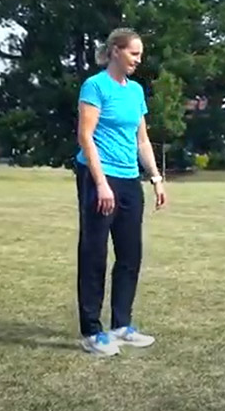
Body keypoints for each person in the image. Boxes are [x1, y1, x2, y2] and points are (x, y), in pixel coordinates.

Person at [74, 27, 166, 356]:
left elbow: (142, 139)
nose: (138, 60)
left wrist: (155, 177)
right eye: (134, 53)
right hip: (98, 175)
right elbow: (86, 136)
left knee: (130, 255)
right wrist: (100, 184)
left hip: (129, 179)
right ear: (115, 50)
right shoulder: (95, 86)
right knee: (94, 253)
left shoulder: (136, 91)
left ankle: (122, 325)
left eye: (140, 55)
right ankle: (91, 331)